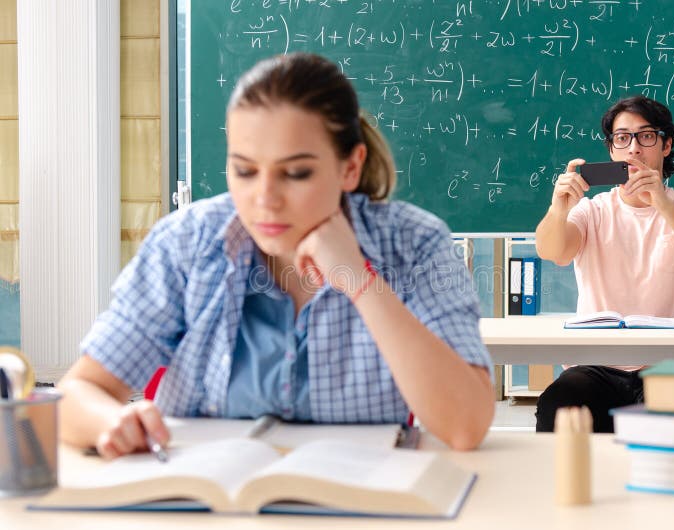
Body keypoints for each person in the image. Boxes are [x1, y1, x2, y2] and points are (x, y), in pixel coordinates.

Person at [58, 53, 495, 456]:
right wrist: (112, 421)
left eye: (296, 173)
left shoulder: (416, 244)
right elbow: (76, 394)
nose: (265, 199)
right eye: (245, 171)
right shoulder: (185, 243)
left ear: (350, 167)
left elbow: (465, 425)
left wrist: (359, 280)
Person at [534, 95, 674, 433]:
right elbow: (554, 251)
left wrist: (662, 203)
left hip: (671, 363)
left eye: (646, 136)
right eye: (622, 138)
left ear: (666, 145)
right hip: (596, 363)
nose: (633, 148)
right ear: (612, 150)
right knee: (559, 402)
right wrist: (558, 208)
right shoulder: (592, 210)